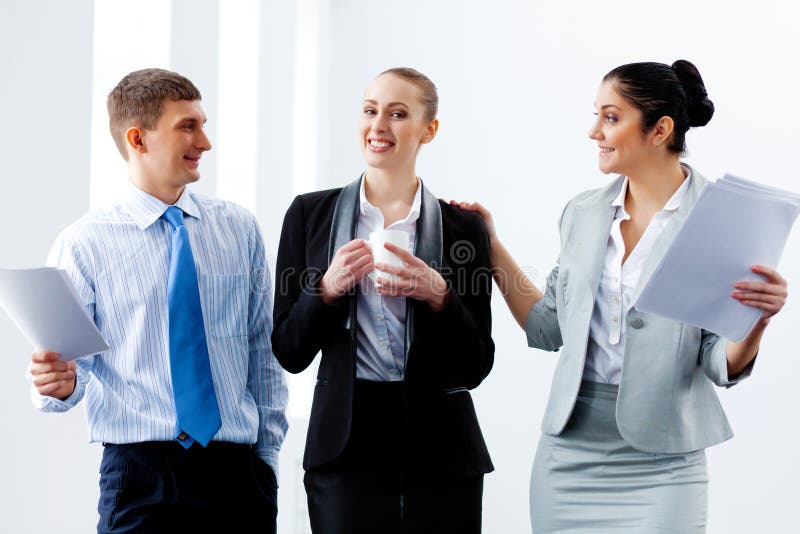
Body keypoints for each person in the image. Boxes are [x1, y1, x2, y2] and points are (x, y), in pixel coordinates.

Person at [453, 60, 788, 533]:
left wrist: (757, 319)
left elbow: (719, 362)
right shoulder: (583, 213)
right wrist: (491, 246)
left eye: (610, 117)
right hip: (568, 455)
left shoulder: (722, 221)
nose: (594, 131)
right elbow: (546, 327)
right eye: (596, 115)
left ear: (660, 130)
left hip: (665, 464)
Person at [27, 68, 288, 533]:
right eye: (188, 126)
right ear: (138, 138)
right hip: (141, 478)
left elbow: (261, 350)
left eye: (202, 125)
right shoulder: (83, 244)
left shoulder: (239, 229)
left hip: (238, 475)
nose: (204, 142)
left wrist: (265, 460)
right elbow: (68, 374)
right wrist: (59, 384)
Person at [272, 67, 494, 534]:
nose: (379, 126)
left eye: (397, 114)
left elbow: (476, 365)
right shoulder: (309, 215)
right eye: (371, 110)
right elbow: (289, 351)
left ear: (428, 130)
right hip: (345, 448)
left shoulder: (463, 229)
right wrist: (326, 290)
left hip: (443, 450)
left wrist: (440, 297)